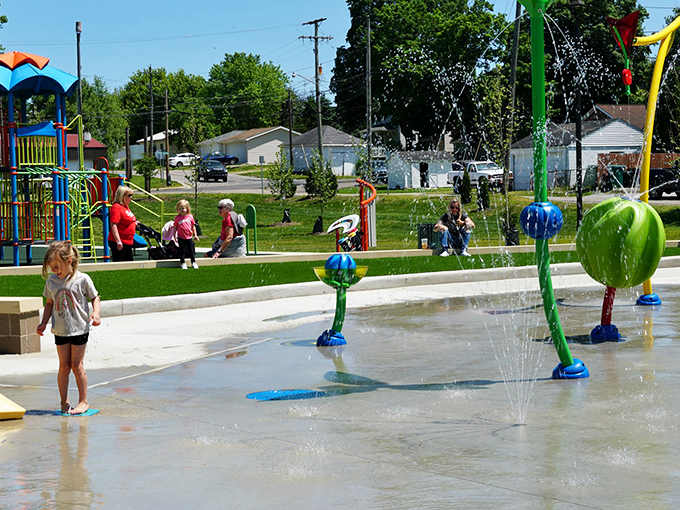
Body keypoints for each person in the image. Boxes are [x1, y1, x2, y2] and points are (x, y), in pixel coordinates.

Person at [37, 242, 101, 415]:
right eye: (51, 267)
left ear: (70, 261)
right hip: (60, 330)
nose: (54, 270)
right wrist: (44, 322)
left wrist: (96, 313)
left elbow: (95, 297)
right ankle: (64, 402)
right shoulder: (52, 281)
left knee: (76, 365)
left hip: (79, 328)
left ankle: (83, 401)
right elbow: (49, 303)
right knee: (63, 366)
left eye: (57, 266)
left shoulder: (82, 279)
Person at [108, 185, 137, 262]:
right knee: (122, 263)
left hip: (128, 241)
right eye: (129, 195)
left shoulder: (126, 207)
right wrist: (118, 241)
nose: (131, 197)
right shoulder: (116, 207)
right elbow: (113, 224)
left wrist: (134, 223)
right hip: (120, 241)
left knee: (129, 264)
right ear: (122, 196)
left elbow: (127, 219)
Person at [173, 199, 199, 269]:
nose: (181, 210)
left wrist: (195, 235)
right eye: (180, 209)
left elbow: (193, 226)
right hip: (181, 237)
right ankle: (183, 263)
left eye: (183, 208)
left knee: (191, 250)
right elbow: (175, 227)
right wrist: (174, 235)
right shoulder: (177, 218)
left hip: (189, 237)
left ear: (187, 208)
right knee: (182, 251)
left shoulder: (190, 216)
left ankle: (193, 262)